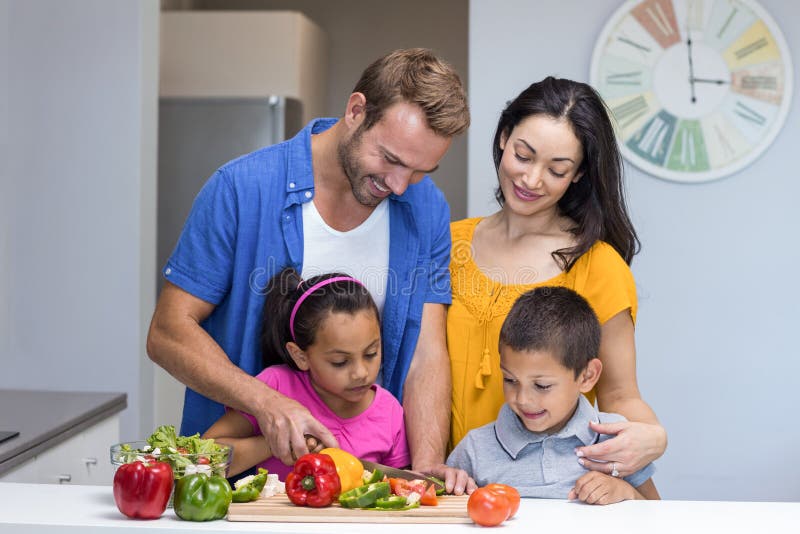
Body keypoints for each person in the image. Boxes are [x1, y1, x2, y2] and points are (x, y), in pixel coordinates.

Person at [147, 48, 472, 492]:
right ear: (356, 111)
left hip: (357, 496)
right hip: (231, 492)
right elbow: (167, 331)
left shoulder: (427, 206)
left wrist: (429, 461)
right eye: (391, 160)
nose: (399, 185)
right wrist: (266, 404)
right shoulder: (240, 188)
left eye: (419, 171)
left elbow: (426, 354)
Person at [447, 77, 666, 478]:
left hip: (546, 489)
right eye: (523, 155)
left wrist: (652, 436)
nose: (532, 180)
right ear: (503, 137)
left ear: (579, 174)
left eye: (557, 169)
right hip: (451, 485)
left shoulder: (596, 265)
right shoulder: (446, 245)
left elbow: (619, 393)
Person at [447, 287, 660, 503]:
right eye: (510, 380)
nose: (522, 399)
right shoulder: (474, 449)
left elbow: (657, 515)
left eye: (541, 385)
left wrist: (625, 492)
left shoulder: (615, 441)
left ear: (587, 376)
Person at [203, 269, 409, 478]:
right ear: (300, 356)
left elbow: (400, 489)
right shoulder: (274, 387)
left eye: (371, 353)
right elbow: (204, 459)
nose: (361, 373)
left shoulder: (389, 411)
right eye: (340, 362)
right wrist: (274, 442)